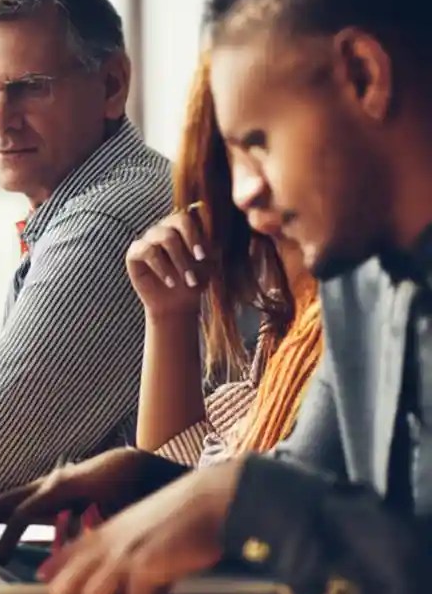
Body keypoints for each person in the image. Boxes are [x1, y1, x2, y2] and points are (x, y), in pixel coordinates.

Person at [0, 0, 432, 594]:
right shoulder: (359, 281)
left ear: (364, 76)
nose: (242, 193)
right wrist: (155, 482)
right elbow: (318, 493)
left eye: (257, 143)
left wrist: (236, 499)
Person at [0, 0, 173, 502]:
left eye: (28, 88)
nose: (0, 119)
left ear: (112, 85)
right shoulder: (112, 193)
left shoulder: (105, 224)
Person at [134, 58, 322, 468]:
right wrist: (168, 315)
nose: (244, 191)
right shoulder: (283, 310)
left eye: (262, 145)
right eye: (231, 156)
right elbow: (175, 474)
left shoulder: (337, 313)